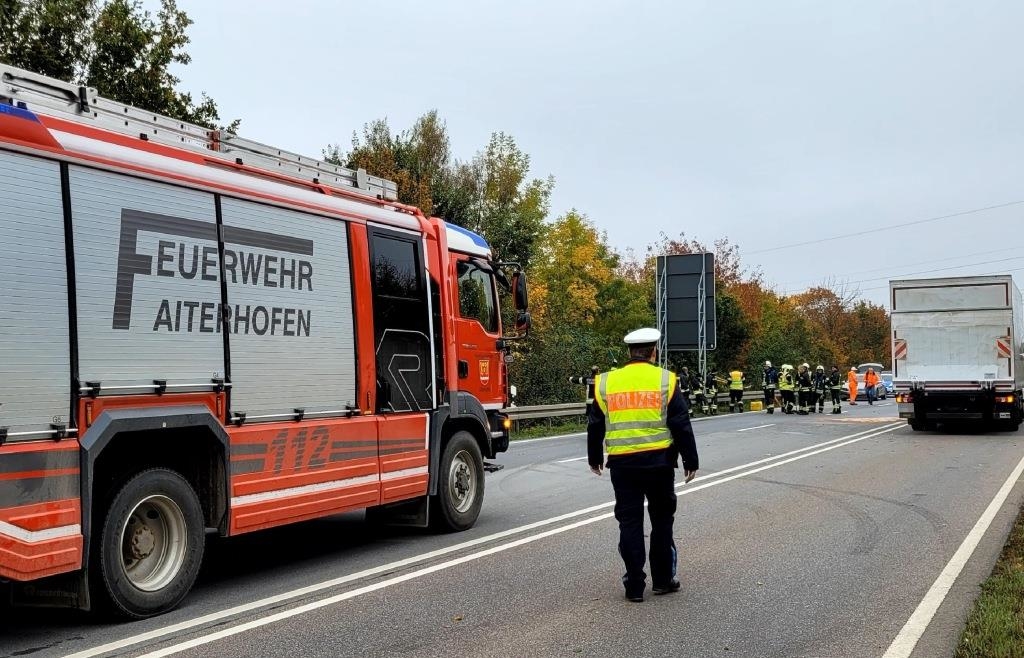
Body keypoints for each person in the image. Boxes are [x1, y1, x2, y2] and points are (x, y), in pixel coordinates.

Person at [588, 328, 699, 602]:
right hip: (660, 464)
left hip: (623, 466)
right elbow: (680, 423)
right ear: (653, 352)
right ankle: (662, 580)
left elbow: (595, 423)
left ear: (629, 351)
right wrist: (690, 459)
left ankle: (634, 586)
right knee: (662, 521)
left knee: (629, 522)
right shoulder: (666, 380)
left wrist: (595, 457)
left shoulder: (606, 382)